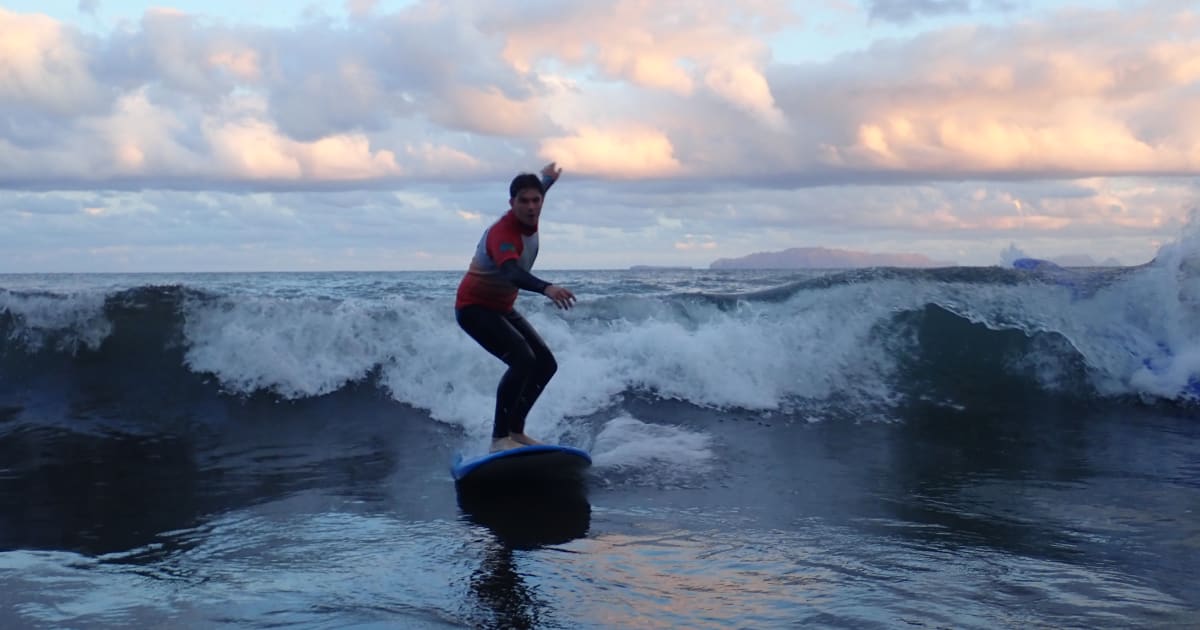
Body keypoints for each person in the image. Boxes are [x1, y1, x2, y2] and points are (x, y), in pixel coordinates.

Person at [455, 162, 577, 452]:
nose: (532, 207)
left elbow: (539, 190)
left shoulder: (532, 209)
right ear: (512, 203)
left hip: (501, 307)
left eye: (536, 200)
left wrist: (548, 178)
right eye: (524, 201)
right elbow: (511, 272)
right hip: (474, 308)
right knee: (522, 360)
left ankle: (515, 431)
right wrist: (546, 287)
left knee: (546, 364)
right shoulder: (503, 234)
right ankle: (499, 439)